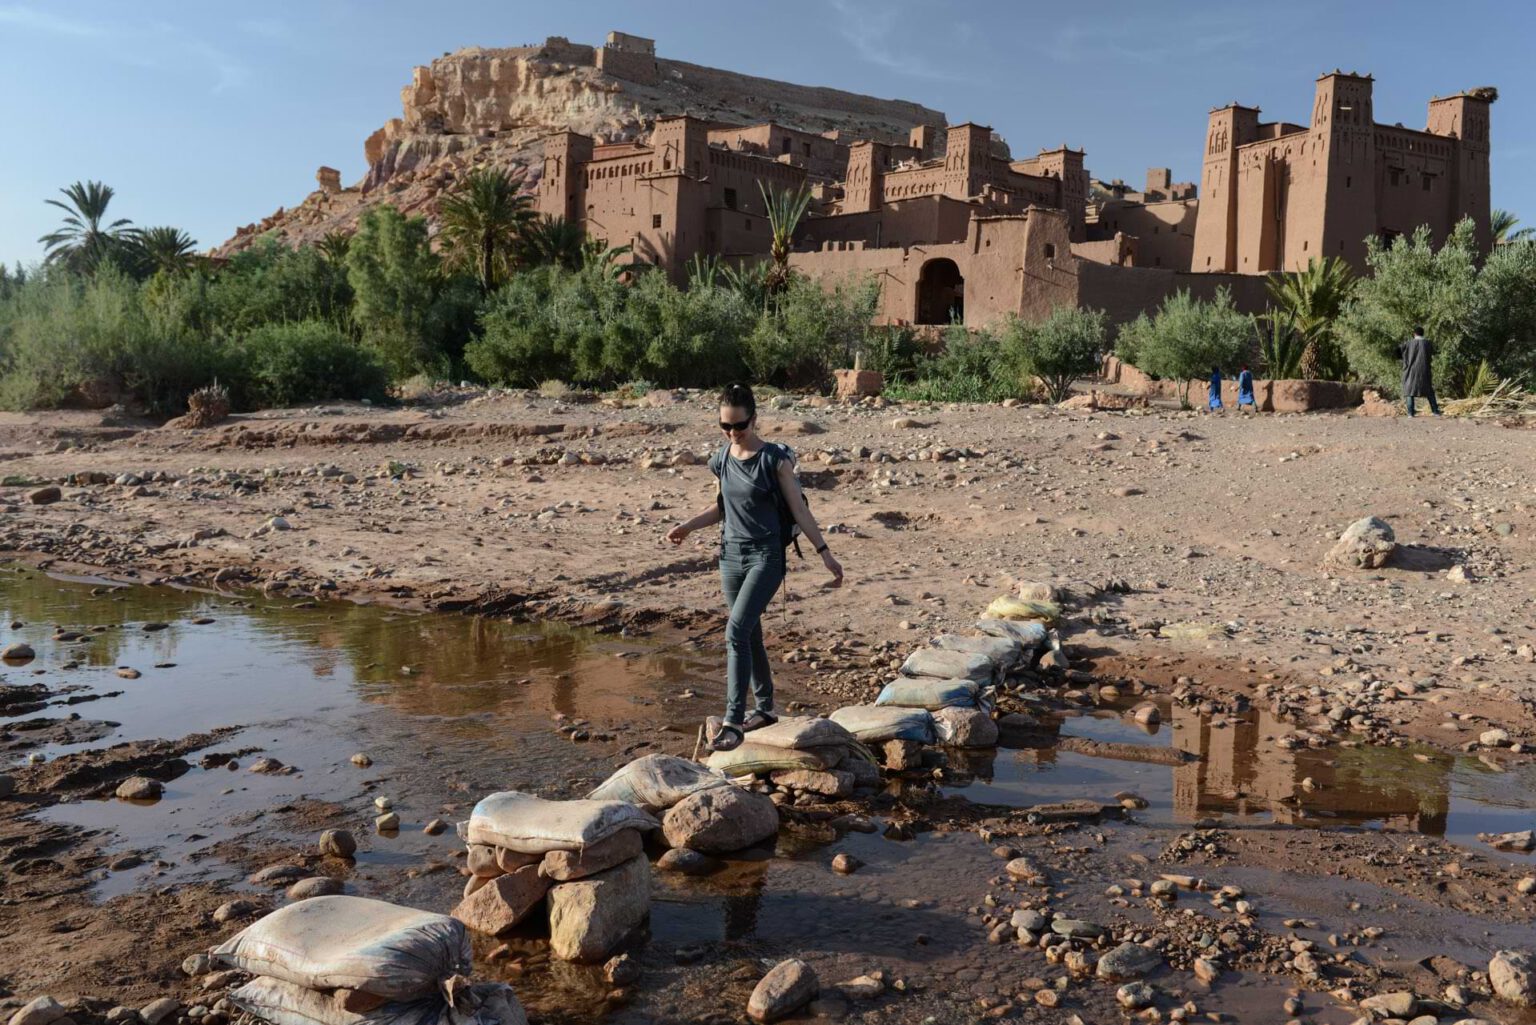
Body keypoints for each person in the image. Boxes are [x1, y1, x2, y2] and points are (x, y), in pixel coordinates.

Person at [666, 383, 844, 752]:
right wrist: (688, 525)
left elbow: (799, 510)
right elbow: (722, 507)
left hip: (766, 556)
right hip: (730, 555)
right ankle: (764, 709)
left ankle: (734, 721)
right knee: (749, 635)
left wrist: (824, 551)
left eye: (739, 425)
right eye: (725, 426)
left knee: (735, 632)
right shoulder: (721, 459)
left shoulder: (774, 461)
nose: (733, 433)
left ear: (754, 419)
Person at [1400, 326, 1440, 416]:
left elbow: (1397, 353)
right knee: (1429, 391)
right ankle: (1435, 411)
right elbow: (1435, 352)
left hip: (1410, 371)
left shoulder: (1407, 344)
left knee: (1409, 391)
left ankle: (1410, 413)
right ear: (1423, 333)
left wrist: (1405, 360)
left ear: (1414, 334)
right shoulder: (1428, 344)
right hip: (1424, 370)